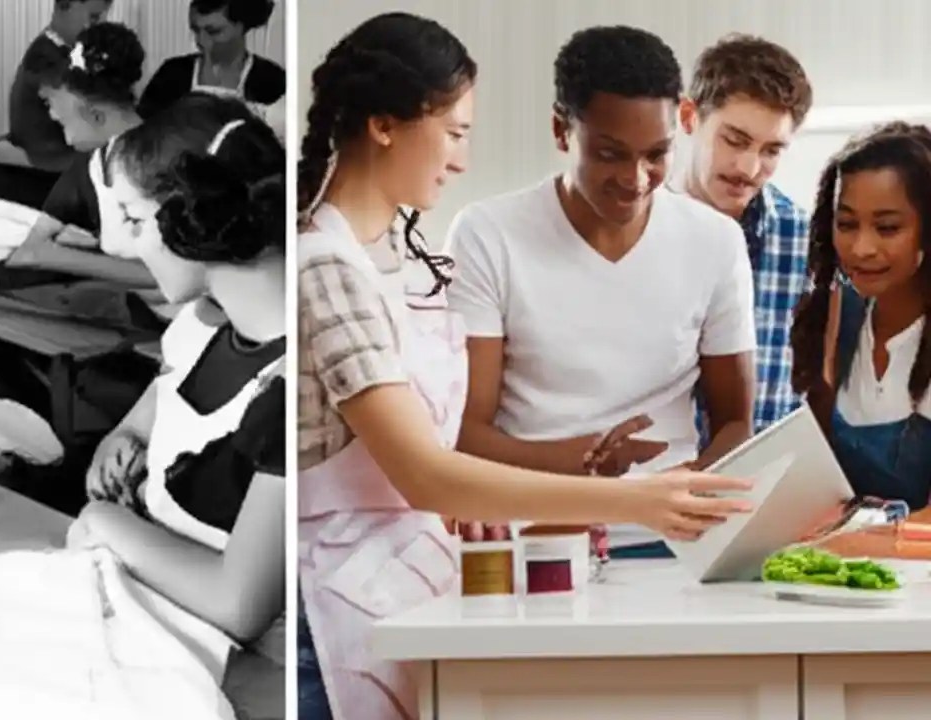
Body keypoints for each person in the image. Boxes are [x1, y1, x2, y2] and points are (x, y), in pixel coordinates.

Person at [296, 14, 754, 720]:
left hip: (410, 579)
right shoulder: (330, 266)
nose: (460, 160)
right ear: (385, 125)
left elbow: (437, 446)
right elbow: (429, 469)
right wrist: (635, 498)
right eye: (454, 133)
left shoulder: (395, 254)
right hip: (344, 588)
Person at [447, 25, 757, 559]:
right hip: (534, 538)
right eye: (610, 154)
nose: (636, 178)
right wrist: (585, 463)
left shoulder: (716, 242)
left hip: (674, 540)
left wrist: (693, 482)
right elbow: (467, 434)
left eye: (656, 154)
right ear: (561, 131)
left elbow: (735, 422)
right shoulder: (487, 234)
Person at [68, 95, 284, 715]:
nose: (129, 248)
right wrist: (127, 437)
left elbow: (240, 605)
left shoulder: (289, 389)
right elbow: (161, 399)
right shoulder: (202, 327)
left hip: (239, 671)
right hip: (151, 617)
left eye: (135, 222)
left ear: (186, 216)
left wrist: (109, 524)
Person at [674, 34, 814, 433]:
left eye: (771, 151)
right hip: (655, 482)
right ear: (689, 117)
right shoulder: (633, 231)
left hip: (773, 481)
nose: (749, 168)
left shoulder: (806, 240)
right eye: (734, 140)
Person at [791, 122, 931, 510]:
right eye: (847, 224)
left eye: (887, 228)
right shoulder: (840, 314)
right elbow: (819, 479)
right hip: (849, 560)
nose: (861, 248)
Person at [32, 21, 145, 252]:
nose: (52, 115)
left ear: (95, 115)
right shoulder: (90, 162)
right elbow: (42, 231)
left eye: (52, 102)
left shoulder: (160, 158)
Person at [8, 0, 113, 172]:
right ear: (64, 6)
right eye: (93, 18)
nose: (100, 27)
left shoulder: (58, 52)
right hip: (47, 167)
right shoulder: (44, 58)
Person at [137, 0, 284, 120]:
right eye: (195, 30)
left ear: (241, 26)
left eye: (213, 32)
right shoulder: (172, 73)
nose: (201, 41)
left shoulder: (271, 80)